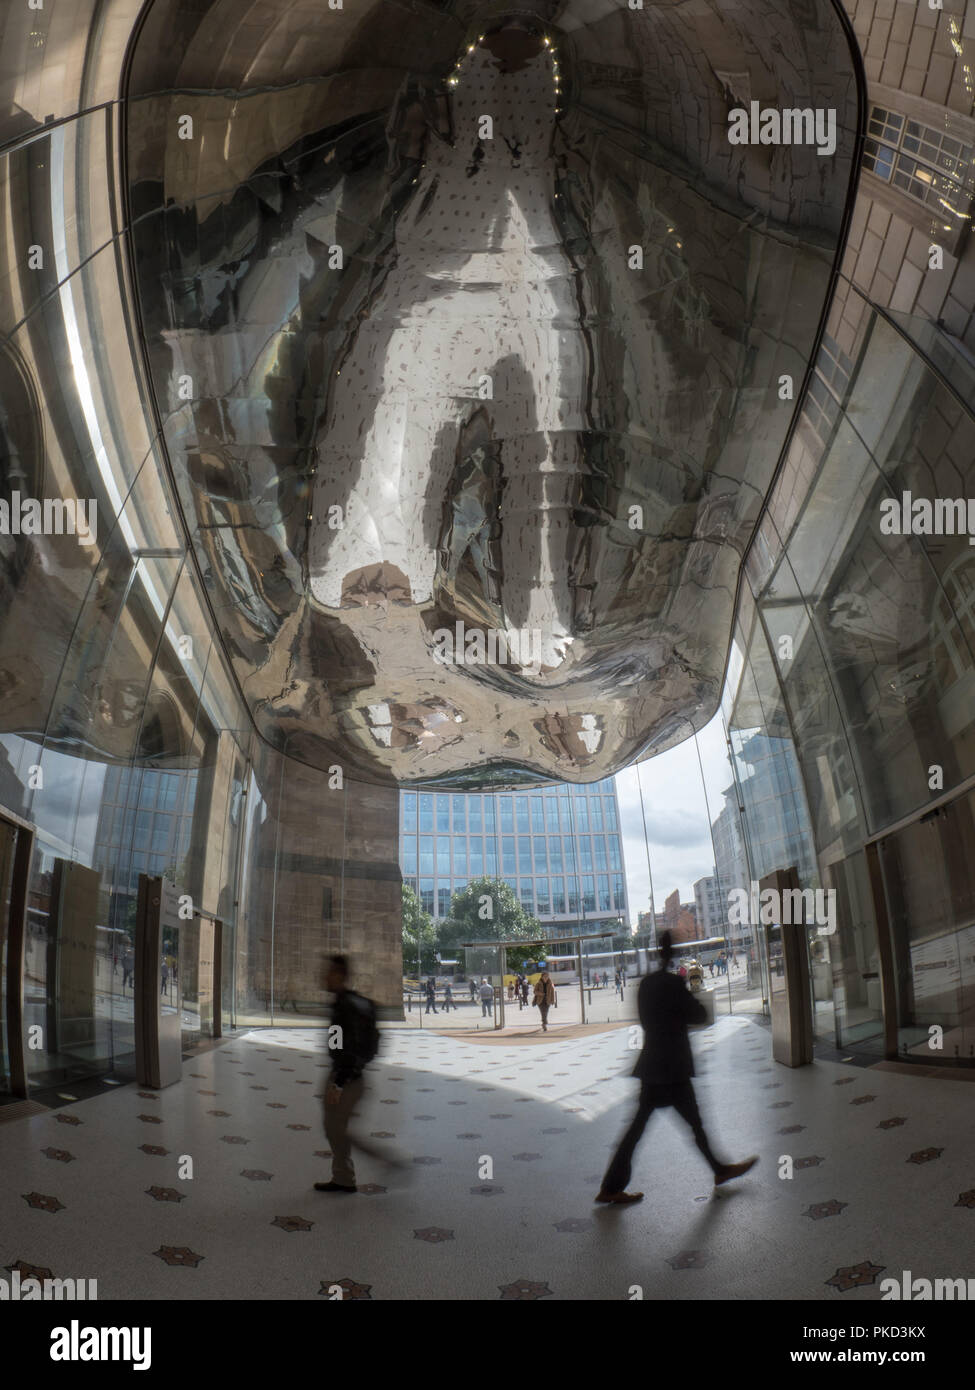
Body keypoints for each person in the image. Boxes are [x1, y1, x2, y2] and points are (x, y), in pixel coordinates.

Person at [595, 932, 758, 1205]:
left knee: (637, 1131)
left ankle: (611, 1186)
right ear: (672, 954)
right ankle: (719, 1170)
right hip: (674, 1069)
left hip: (651, 1066)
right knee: (694, 1124)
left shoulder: (645, 984)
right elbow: (700, 1015)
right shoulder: (674, 983)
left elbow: (646, 1022)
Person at [316, 954, 382, 1194]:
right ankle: (342, 1177)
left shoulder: (343, 1008)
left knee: (337, 1130)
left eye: (329, 971)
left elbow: (345, 1048)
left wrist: (339, 1082)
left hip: (347, 1078)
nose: (324, 975)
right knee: (334, 1128)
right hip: (351, 1075)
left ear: (339, 975)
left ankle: (385, 1160)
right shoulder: (352, 1003)